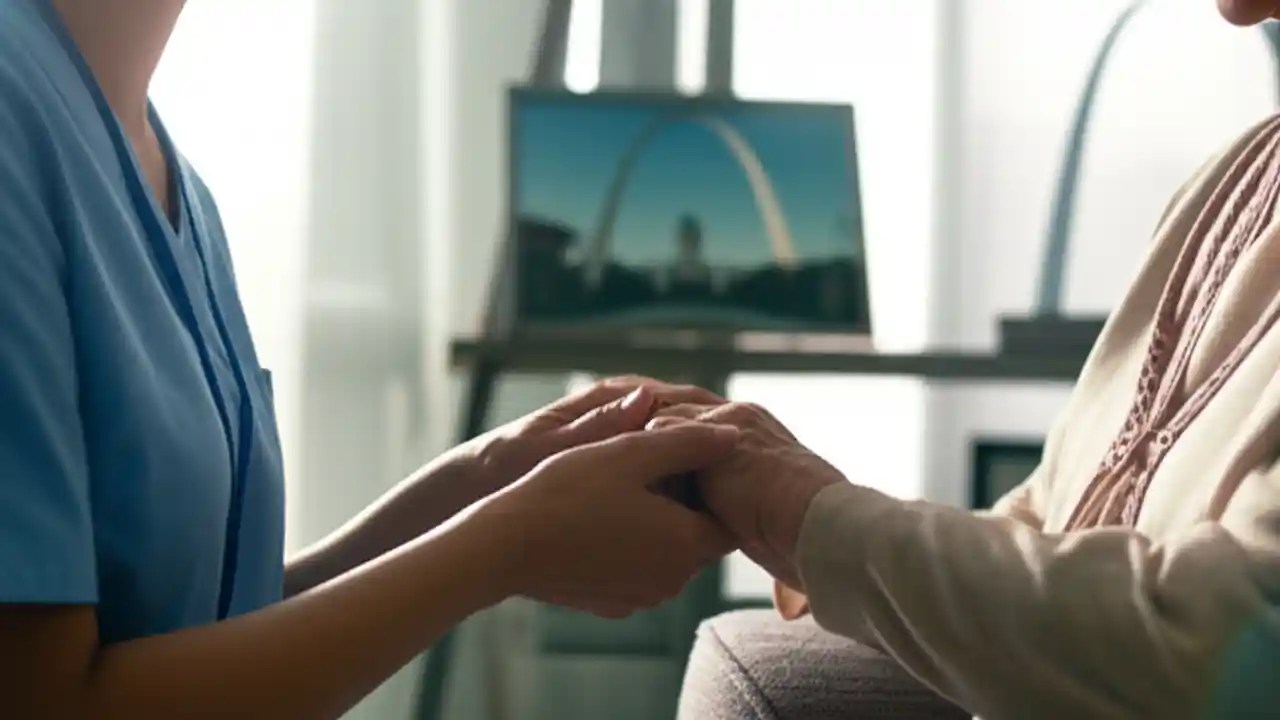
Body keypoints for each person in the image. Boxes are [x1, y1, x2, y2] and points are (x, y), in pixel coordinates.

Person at [0, 1, 742, 716]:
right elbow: (49, 701)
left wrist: (480, 486)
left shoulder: (170, 175)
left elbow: (206, 631)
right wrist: (509, 542)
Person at [657, 1, 1280, 717]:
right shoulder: (1233, 174)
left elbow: (1225, 651)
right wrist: (807, 518)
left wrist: (812, 520)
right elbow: (1057, 522)